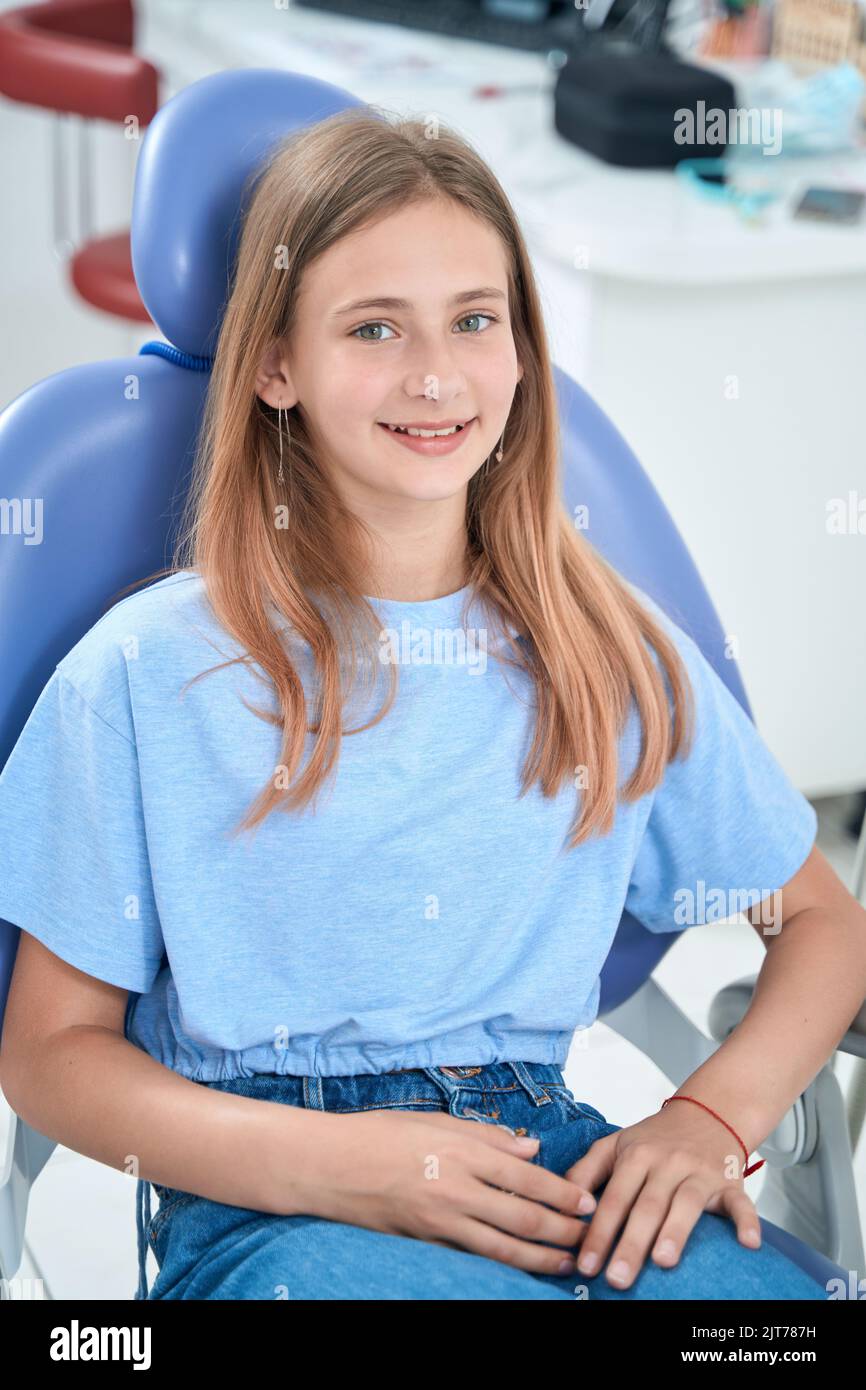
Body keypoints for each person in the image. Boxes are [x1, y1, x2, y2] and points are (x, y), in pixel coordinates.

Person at [0, 108, 861, 1302]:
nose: (436, 374)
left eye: (474, 319)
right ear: (273, 365)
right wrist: (342, 1165)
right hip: (276, 1205)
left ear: (520, 348)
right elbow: (50, 1057)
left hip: (556, 1173)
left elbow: (826, 922)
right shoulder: (143, 675)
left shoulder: (600, 646)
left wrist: (708, 1117)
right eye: (372, 328)